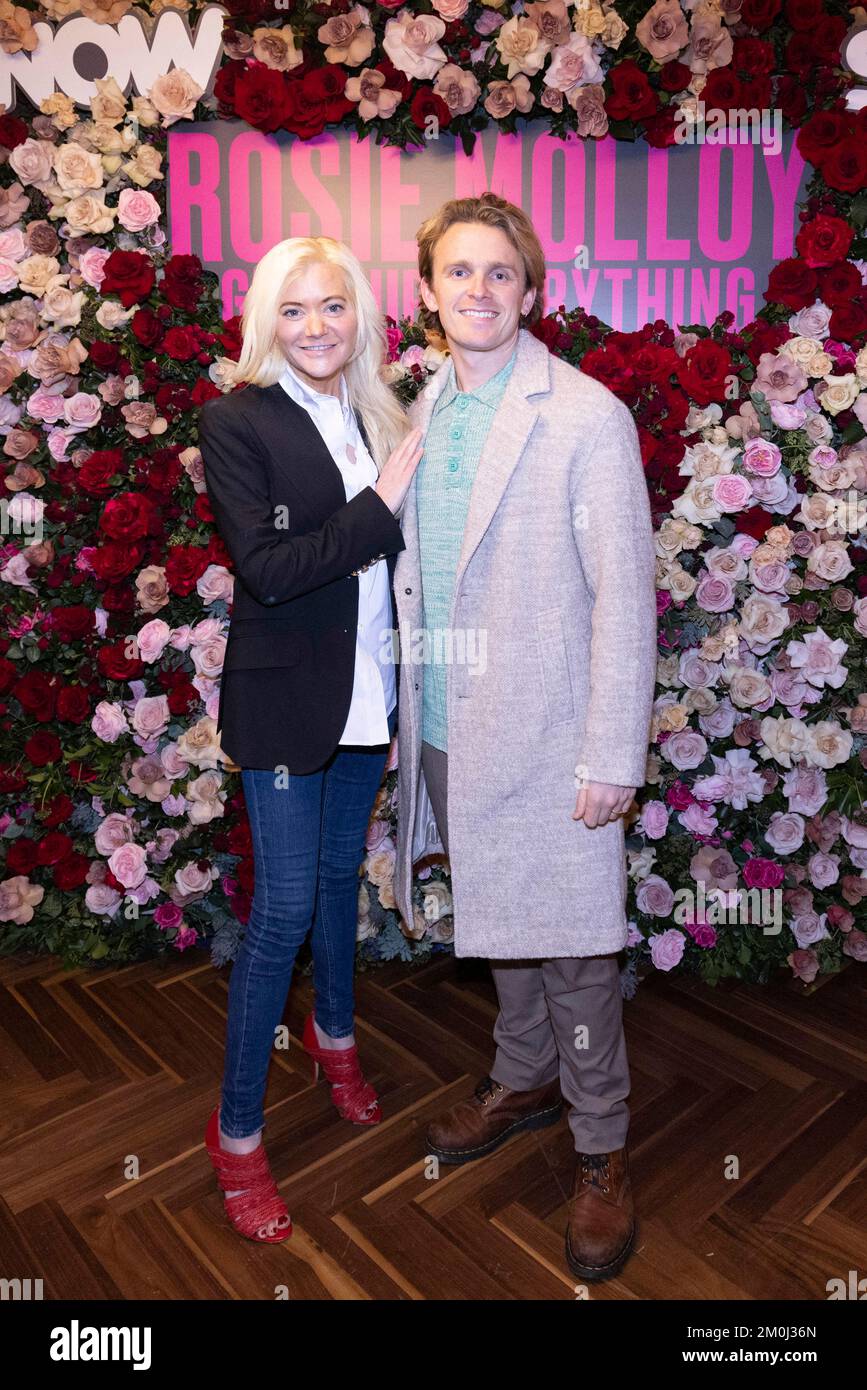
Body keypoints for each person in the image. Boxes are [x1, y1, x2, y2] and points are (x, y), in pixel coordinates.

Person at [393, 194, 658, 1282]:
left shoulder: (585, 414)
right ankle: (523, 1075)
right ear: (428, 293)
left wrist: (611, 753)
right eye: (459, 272)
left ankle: (601, 1151)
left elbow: (625, 597)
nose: (479, 291)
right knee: (502, 925)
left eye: (500, 273)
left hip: (551, 735)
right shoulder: (425, 406)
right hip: (453, 727)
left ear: (532, 292)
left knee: (578, 950)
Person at [197, 236, 423, 1242]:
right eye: (294, 310)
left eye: (333, 306)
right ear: (266, 322)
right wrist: (383, 504)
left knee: (340, 878)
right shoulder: (236, 419)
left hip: (370, 691)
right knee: (282, 910)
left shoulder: (383, 415)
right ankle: (236, 1133)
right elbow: (272, 567)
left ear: (360, 317)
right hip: (289, 702)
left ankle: (335, 1039)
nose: (317, 327)